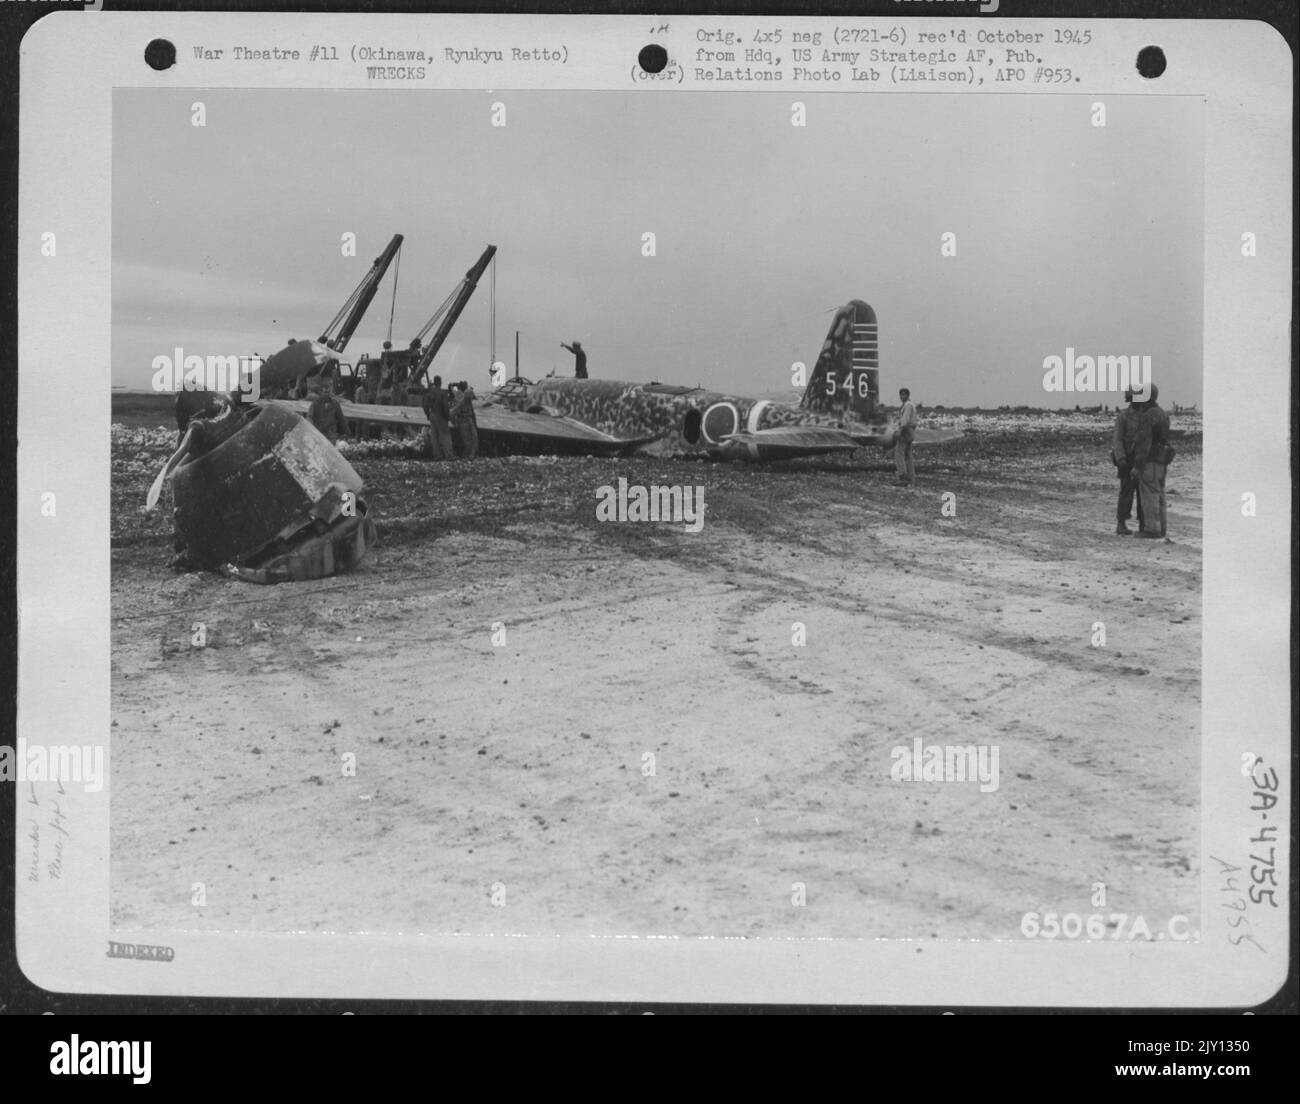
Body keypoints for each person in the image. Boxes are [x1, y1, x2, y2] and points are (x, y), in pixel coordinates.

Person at [1132, 384, 1171, 539]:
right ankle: (1161, 528)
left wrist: (1137, 465)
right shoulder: (1163, 414)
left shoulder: (1148, 416)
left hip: (1150, 462)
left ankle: (1152, 530)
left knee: (1149, 495)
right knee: (1160, 494)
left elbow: (1144, 444)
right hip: (1162, 461)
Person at [1110, 389, 1146, 535]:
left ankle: (1143, 524)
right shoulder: (1123, 416)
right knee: (1126, 492)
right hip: (1127, 460)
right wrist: (1121, 459)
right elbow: (1117, 439)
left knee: (1143, 493)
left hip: (1142, 460)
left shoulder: (1146, 417)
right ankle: (1121, 523)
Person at [422, 374, 454, 459]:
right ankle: (449, 456)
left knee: (434, 437)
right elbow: (445, 407)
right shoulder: (442, 393)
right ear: (440, 382)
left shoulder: (429, 393)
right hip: (440, 416)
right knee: (445, 436)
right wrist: (448, 417)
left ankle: (437, 456)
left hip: (432, 415)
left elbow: (425, 406)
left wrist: (428, 415)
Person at [307, 376, 348, 444]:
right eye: (325, 392)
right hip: (319, 433)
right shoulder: (315, 404)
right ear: (320, 392)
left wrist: (346, 433)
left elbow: (341, 418)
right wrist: (310, 427)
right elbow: (309, 416)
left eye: (328, 392)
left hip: (331, 434)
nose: (327, 394)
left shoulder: (335, 404)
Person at [894, 387, 917, 486]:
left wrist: (900, 430)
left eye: (903, 395)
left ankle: (902, 477)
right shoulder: (911, 405)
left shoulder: (907, 405)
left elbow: (905, 420)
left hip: (906, 430)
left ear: (907, 395)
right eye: (900, 395)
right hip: (911, 431)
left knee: (899, 453)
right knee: (908, 455)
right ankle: (911, 478)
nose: (901, 396)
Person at [451, 381, 479, 459]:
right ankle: (467, 455)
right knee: (467, 441)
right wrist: (455, 423)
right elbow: (452, 413)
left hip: (469, 421)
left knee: (475, 437)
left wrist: (475, 424)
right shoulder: (461, 403)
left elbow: (472, 413)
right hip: (463, 423)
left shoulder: (469, 403)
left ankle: (472, 454)